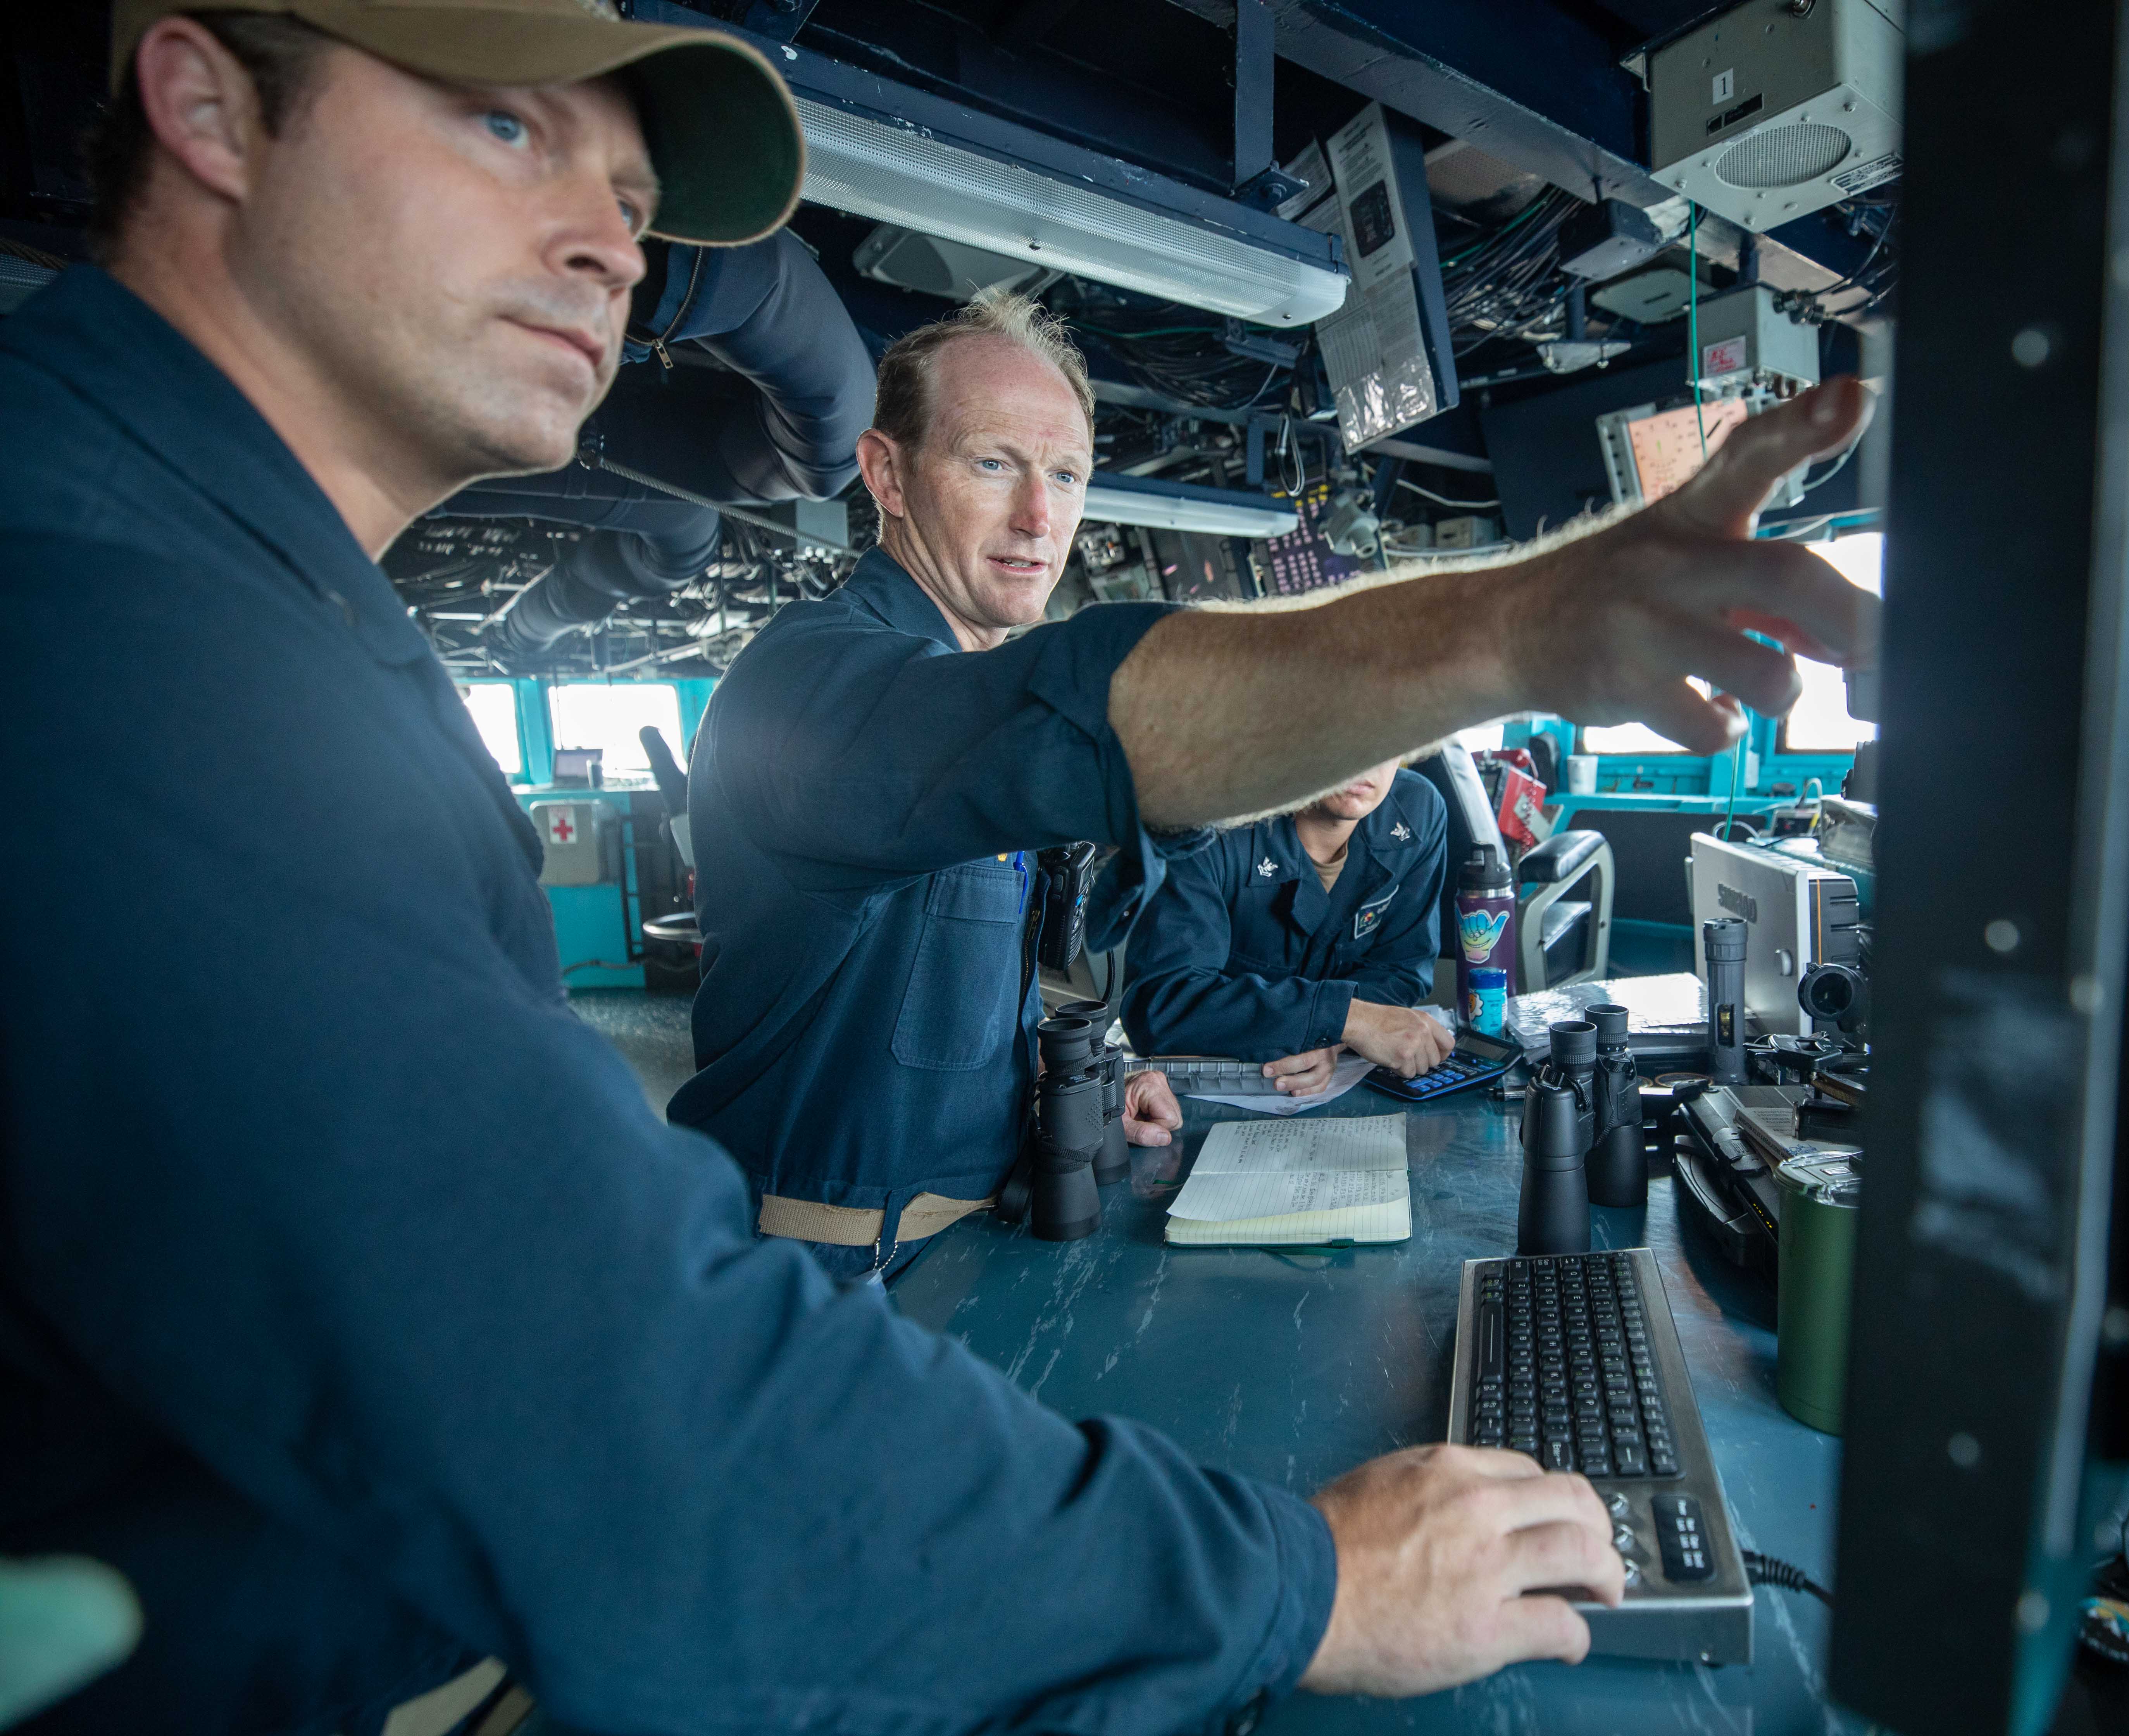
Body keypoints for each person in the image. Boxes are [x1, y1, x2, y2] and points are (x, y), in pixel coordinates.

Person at [0, 2, 1877, 1731]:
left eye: (634, 196)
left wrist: (1060, 1075)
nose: (609, 245)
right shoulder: (119, 628)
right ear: (207, 104)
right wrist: (1303, 1577)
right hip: (736, 1363)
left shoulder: (235, 589)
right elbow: (625, 1422)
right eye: (506, 129)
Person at [670, 293, 1185, 1281]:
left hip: (963, 1241)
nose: (1041, 518)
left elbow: (942, 989)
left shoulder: (969, 688)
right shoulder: (813, 685)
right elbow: (1034, 731)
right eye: (994, 464)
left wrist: (1063, 1073)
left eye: (1067, 476)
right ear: (888, 476)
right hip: (824, 1277)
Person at [1116, 758, 1457, 1095]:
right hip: (1209, 1090)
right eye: (1343, 730)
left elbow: (1401, 968)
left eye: (1390, 737)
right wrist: (1341, 1019)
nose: (1366, 758)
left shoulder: (1417, 811)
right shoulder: (1203, 821)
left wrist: (1334, 1038)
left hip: (1335, 1086)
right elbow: (1161, 1006)